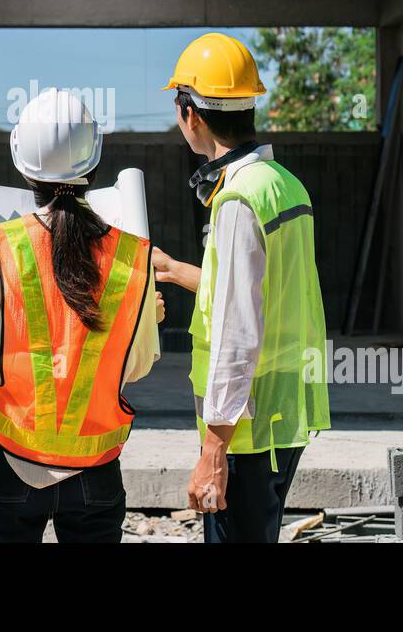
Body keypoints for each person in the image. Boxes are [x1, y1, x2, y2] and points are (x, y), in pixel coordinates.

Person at [0, 88, 162, 542]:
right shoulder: (135, 256)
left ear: (22, 163)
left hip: (13, 460)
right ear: (93, 162)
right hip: (95, 469)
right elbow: (141, 364)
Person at [152, 33, 331, 543]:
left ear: (191, 114)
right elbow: (260, 292)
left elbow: (237, 331)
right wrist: (178, 270)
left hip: (245, 430)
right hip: (279, 416)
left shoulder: (236, 200)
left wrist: (213, 452)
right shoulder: (282, 183)